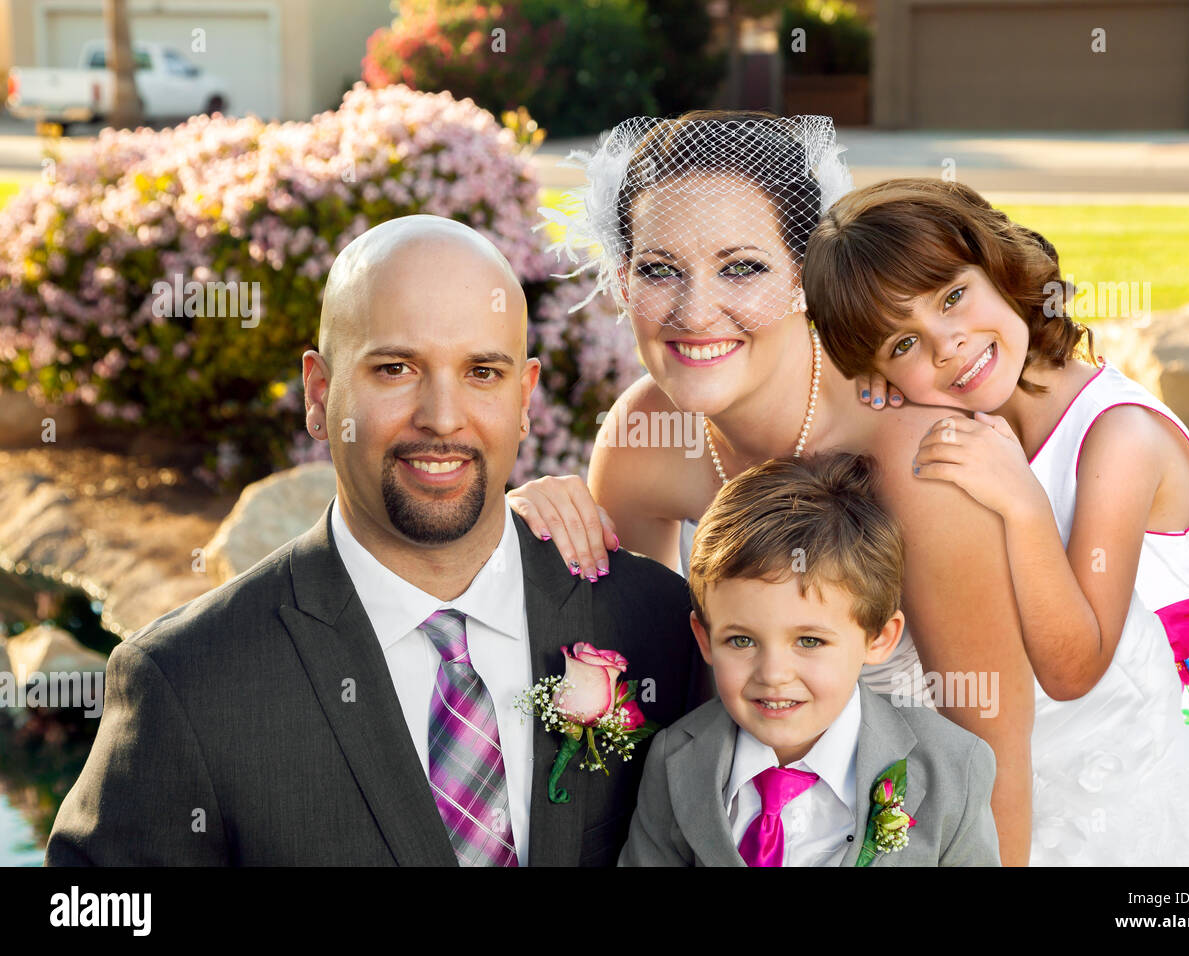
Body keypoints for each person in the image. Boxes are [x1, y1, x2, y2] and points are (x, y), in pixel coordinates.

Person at [44, 215, 707, 866]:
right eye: (395, 369)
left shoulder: (655, 626)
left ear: (524, 396)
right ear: (318, 393)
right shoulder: (188, 682)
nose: (443, 418)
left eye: (482, 372)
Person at [509, 110, 1036, 864]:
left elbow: (991, 757)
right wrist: (530, 527)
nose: (695, 312)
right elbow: (653, 692)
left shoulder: (919, 460)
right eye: (659, 269)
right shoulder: (641, 442)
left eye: (741, 268)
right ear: (622, 280)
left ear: (803, 274)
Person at [802, 176, 1189, 866]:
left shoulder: (1119, 441)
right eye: (902, 344)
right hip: (1073, 745)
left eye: (953, 296)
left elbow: (1073, 668)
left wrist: (1022, 503)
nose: (947, 347)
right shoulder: (957, 417)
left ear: (1000, 267)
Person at [619, 452, 1001, 866]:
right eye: (742, 640)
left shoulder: (952, 768)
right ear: (705, 638)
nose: (774, 674)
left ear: (878, 638)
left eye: (810, 641)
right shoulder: (674, 760)